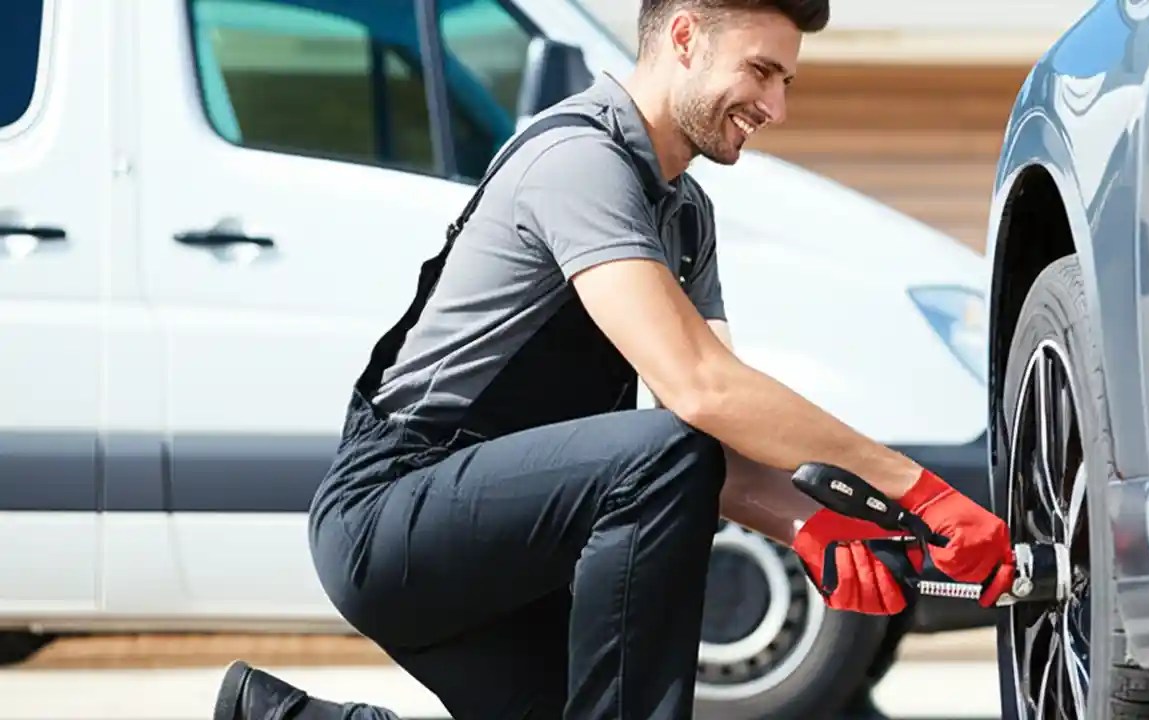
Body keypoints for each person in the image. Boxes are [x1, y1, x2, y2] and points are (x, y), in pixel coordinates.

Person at [212, 1, 1016, 718]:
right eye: (762, 71)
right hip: (396, 515)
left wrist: (814, 528)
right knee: (669, 450)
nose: (774, 105)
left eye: (788, 83)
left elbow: (712, 450)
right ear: (685, 36)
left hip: (509, 539)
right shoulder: (578, 161)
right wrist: (918, 490)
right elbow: (700, 393)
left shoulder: (686, 216)